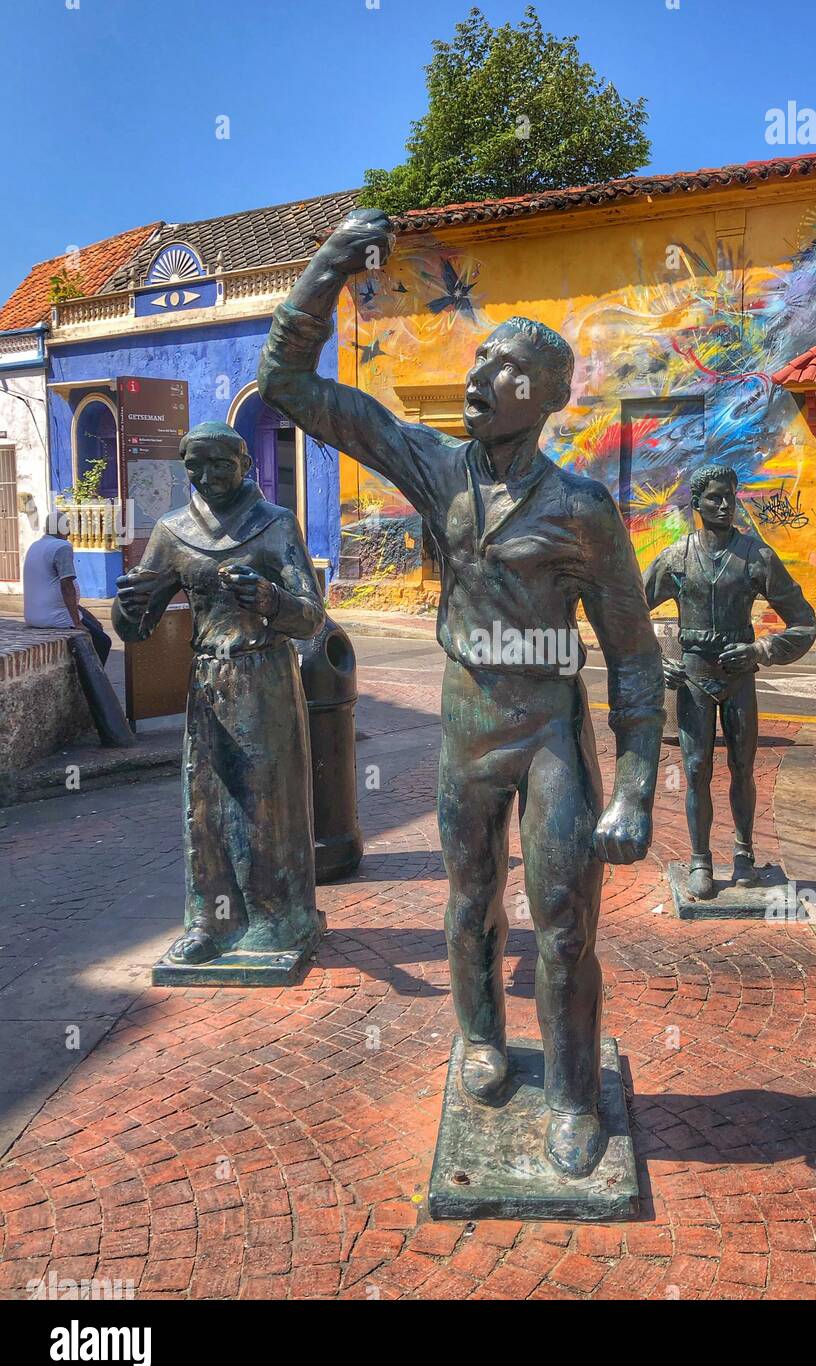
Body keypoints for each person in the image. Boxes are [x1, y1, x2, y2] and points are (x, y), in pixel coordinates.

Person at [258, 209, 665, 1178]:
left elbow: (635, 657)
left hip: (551, 728)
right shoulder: (433, 466)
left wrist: (638, 783)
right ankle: (481, 1036)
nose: (482, 381)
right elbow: (288, 383)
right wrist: (327, 266)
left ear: (551, 397)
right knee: (471, 893)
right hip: (465, 720)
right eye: (479, 363)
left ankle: (572, 1092)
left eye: (509, 371)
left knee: (565, 915)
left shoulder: (583, 511)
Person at [112, 422, 325, 974]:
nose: (206, 478)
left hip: (266, 679)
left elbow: (311, 616)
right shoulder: (172, 531)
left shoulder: (275, 526)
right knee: (204, 805)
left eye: (219, 466)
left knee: (266, 804)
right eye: (194, 467)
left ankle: (278, 918)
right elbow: (136, 629)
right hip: (208, 681)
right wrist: (129, 604)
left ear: (245, 465)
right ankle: (210, 923)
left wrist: (271, 599)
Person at [644, 463, 816, 899]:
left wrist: (760, 650)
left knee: (742, 767)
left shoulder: (757, 557)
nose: (724, 505)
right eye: (713, 498)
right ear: (696, 503)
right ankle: (700, 859)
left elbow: (804, 624)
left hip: (740, 677)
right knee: (696, 768)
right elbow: (624, 615)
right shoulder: (675, 557)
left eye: (730, 496)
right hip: (694, 678)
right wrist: (652, 660)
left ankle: (744, 854)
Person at [23, 527, 112, 666]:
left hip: (35, 615)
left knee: (96, 626)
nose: (70, 532)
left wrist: (90, 617)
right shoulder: (62, 547)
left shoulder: (36, 546)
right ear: (61, 530)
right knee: (103, 642)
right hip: (56, 618)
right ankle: (91, 686)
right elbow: (67, 587)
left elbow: (69, 599)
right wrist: (77, 623)